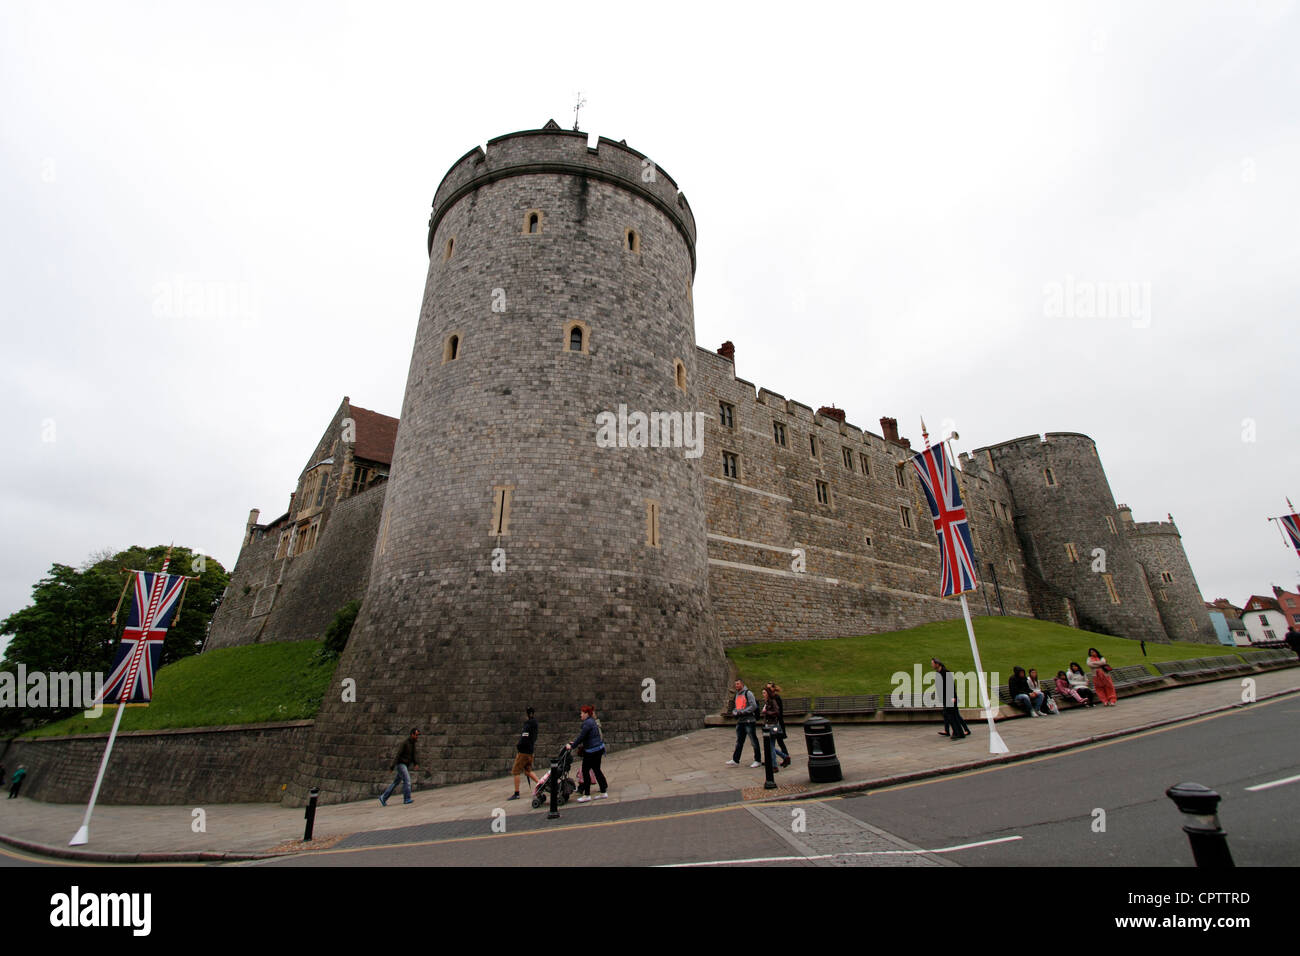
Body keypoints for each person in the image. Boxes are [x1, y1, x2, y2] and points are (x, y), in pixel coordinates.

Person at [566, 705, 607, 802]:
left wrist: (572, 746)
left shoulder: (587, 723)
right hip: (599, 749)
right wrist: (575, 743)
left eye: (582, 713)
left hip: (591, 751)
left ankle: (587, 795)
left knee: (585, 771)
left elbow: (581, 737)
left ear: (586, 714)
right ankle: (603, 792)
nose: (580, 715)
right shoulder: (592, 721)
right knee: (597, 770)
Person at [726, 679, 762, 768]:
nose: (736, 686)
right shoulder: (737, 695)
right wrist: (735, 712)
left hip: (749, 721)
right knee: (739, 741)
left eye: (738, 684)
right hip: (740, 721)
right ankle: (735, 760)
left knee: (753, 741)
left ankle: (758, 760)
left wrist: (742, 712)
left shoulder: (748, 693)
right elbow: (735, 706)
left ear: (742, 684)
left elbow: (753, 706)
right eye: (735, 684)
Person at [380, 728, 420, 806]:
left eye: (418, 735)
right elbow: (398, 755)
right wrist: (392, 766)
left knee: (396, 782)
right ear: (412, 734)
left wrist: (416, 763)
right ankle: (407, 798)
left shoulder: (413, 743)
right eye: (416, 735)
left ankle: (383, 797)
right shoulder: (405, 743)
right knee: (407, 780)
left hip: (405, 765)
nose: (417, 736)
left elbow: (414, 755)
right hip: (401, 764)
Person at [509, 707, 541, 800]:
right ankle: (540, 784)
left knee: (516, 771)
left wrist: (519, 746)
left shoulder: (528, 725)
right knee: (528, 771)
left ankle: (516, 793)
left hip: (524, 752)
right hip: (530, 750)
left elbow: (524, 738)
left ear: (528, 714)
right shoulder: (534, 724)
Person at [931, 658, 968, 740]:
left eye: (933, 663)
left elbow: (951, 686)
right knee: (952, 715)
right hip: (945, 697)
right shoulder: (939, 673)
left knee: (952, 716)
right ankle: (959, 733)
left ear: (938, 664)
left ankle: (958, 733)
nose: (932, 665)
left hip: (950, 697)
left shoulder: (945, 673)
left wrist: (953, 697)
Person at [760, 685, 787, 770]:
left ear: (768, 693)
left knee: (770, 746)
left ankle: (774, 766)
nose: (763, 694)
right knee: (770, 745)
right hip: (768, 725)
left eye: (764, 693)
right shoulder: (767, 701)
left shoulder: (772, 701)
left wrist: (767, 712)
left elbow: (777, 711)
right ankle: (785, 757)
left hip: (772, 725)